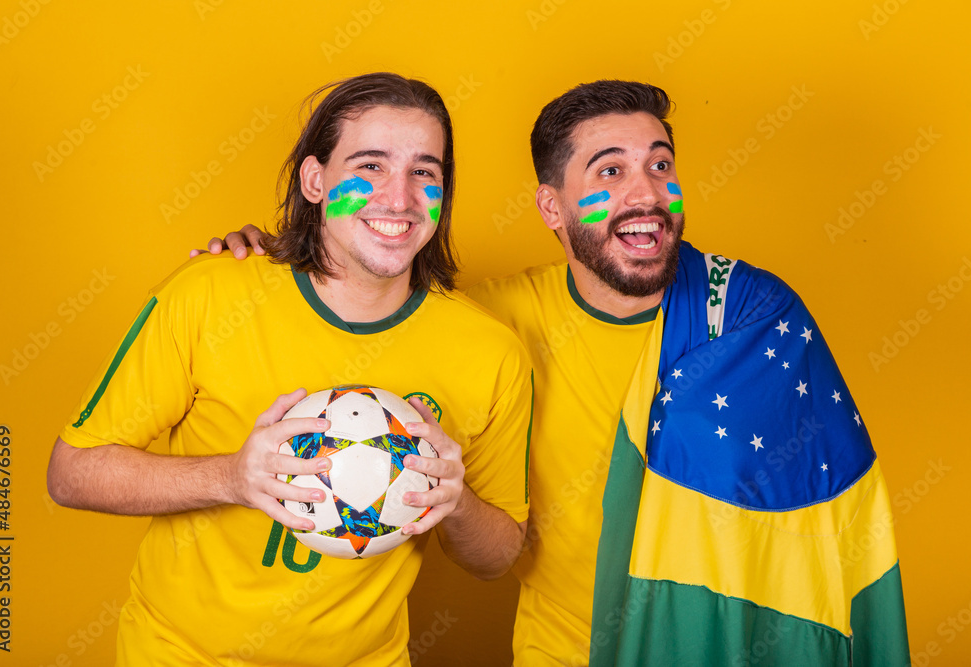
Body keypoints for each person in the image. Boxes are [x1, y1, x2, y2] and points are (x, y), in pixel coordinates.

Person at [207, 79, 909, 665]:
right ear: (552, 206)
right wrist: (283, 253)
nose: (648, 192)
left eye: (661, 166)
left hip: (717, 646)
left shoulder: (751, 316)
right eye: (610, 171)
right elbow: (365, 300)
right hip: (562, 650)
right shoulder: (489, 320)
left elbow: (825, 508)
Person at [47, 72, 532, 667]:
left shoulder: (490, 350)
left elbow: (499, 555)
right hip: (179, 654)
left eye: (423, 172)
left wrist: (455, 505)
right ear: (314, 180)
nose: (399, 198)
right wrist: (231, 478)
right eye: (371, 166)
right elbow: (71, 473)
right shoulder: (211, 295)